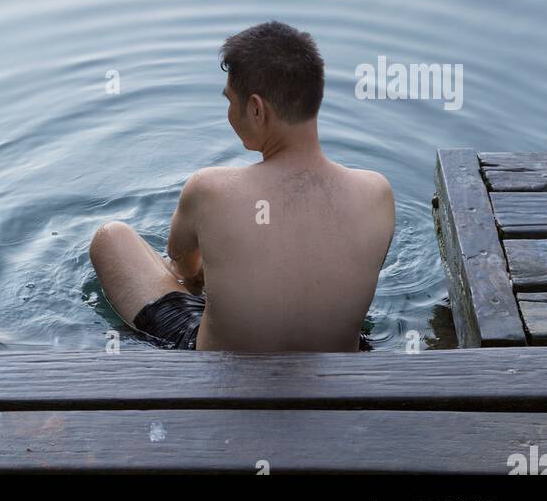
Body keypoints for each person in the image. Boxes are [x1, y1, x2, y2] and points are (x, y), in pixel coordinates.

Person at [89, 21, 395, 352]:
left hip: (222, 368)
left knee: (112, 237)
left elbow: (184, 270)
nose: (229, 113)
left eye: (230, 100)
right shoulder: (377, 194)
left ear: (255, 108)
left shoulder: (209, 190)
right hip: (338, 363)